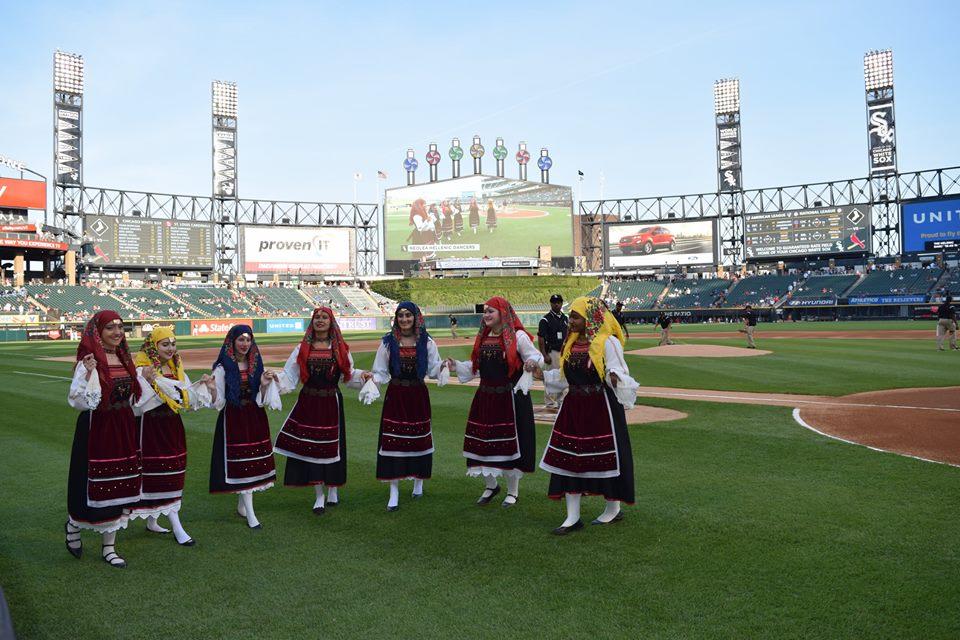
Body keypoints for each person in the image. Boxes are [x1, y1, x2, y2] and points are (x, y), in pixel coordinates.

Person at [538, 296, 637, 534]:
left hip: (601, 407)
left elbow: (619, 370)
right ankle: (572, 517)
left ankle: (612, 509)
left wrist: (614, 377)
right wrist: (541, 375)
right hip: (573, 407)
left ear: (589, 317)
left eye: (575, 316)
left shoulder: (607, 342)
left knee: (606, 456)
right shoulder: (571, 343)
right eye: (570, 316)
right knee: (569, 458)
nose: (570, 321)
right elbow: (563, 378)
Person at [65, 311, 156, 568]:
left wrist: (145, 382)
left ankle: (109, 547)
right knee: (91, 483)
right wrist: (87, 374)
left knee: (119, 485)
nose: (117, 332)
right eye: (110, 328)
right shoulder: (89, 361)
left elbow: (135, 402)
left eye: (120, 327)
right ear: (98, 332)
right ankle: (74, 524)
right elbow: (77, 401)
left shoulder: (125, 359)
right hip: (97, 428)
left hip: (122, 427)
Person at [446, 297, 544, 508]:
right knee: (482, 442)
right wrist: (456, 366)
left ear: (502, 313)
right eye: (485, 312)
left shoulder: (517, 336)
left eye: (491, 311)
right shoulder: (484, 336)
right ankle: (491, 485)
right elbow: (477, 368)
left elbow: (536, 356)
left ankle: (513, 491)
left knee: (509, 444)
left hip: (509, 397)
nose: (487, 315)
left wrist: (531, 362)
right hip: (486, 396)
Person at [274, 307, 365, 514]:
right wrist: (274, 380)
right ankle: (319, 495)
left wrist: (364, 377)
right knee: (313, 447)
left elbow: (347, 376)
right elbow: (290, 376)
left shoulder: (340, 348)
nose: (320, 321)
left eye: (325, 317)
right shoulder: (301, 348)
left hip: (331, 401)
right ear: (312, 322)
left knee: (332, 446)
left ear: (331, 322)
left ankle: (333, 488)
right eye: (317, 317)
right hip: (309, 401)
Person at [130, 326, 215, 546]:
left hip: (171, 425)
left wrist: (201, 386)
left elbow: (184, 395)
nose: (171, 348)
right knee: (154, 471)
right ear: (153, 345)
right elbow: (136, 403)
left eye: (173, 344)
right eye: (165, 344)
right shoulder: (142, 367)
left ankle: (152, 519)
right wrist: (150, 383)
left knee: (172, 470)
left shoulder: (176, 367)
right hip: (149, 426)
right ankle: (176, 525)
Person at [368, 302, 447, 510]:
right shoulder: (388, 342)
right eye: (401, 315)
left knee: (418, 440)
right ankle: (393, 491)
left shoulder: (427, 341)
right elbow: (380, 371)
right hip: (396, 394)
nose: (404, 319)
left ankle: (418, 480)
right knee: (393, 441)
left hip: (418, 394)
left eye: (408, 315)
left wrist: (444, 367)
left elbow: (433, 368)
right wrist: (371, 381)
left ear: (416, 317)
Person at [209, 325, 281, 530]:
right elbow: (219, 402)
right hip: (233, 418)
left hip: (254, 416)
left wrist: (265, 383)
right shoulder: (222, 367)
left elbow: (260, 397)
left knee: (253, 460)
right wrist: (213, 390)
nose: (245, 344)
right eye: (240, 340)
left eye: (248, 340)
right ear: (232, 342)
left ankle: (243, 506)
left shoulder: (256, 364)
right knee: (242, 463)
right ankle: (250, 512)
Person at [537, 294, 568, 410]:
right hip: (552, 352)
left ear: (561, 303)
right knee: (549, 377)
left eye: (559, 302)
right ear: (550, 303)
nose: (557, 304)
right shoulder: (546, 319)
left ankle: (560, 400)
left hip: (564, 353)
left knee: (562, 377)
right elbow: (541, 338)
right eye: (554, 302)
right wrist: (544, 354)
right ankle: (549, 402)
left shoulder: (565, 318)